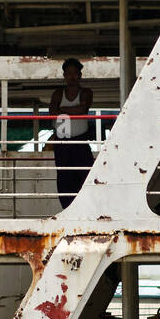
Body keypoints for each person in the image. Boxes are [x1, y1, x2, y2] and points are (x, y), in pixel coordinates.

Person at [44, 58, 94, 209]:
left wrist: (62, 111)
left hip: (80, 142)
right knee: (64, 179)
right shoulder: (58, 93)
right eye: (69, 73)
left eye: (75, 73)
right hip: (62, 143)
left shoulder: (85, 92)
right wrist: (73, 111)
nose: (72, 76)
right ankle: (67, 209)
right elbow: (52, 112)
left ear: (80, 75)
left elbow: (82, 110)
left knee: (86, 177)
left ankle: (88, 208)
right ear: (64, 75)